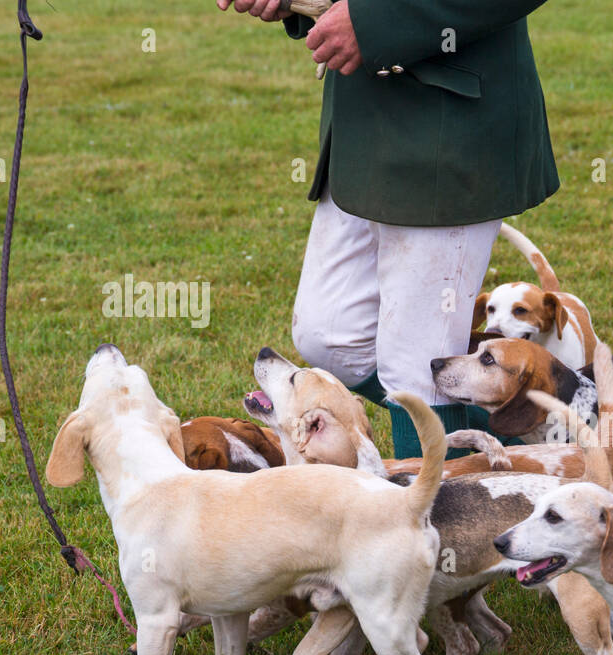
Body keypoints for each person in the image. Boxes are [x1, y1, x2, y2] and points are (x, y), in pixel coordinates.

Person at [218, 0, 558, 456]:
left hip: (452, 122)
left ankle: (436, 518)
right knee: (328, 332)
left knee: (421, 366)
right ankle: (532, 443)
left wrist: (376, 22)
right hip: (363, 127)